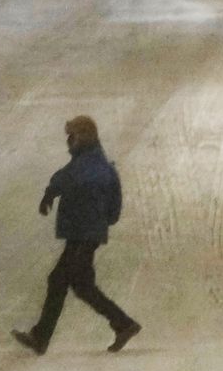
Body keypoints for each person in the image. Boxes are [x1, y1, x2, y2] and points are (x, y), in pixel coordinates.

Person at [14, 116, 141, 355]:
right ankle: (123, 324)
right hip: (83, 234)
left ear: (82, 137)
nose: (68, 143)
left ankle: (41, 337)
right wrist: (50, 195)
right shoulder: (93, 163)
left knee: (58, 280)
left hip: (84, 235)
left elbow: (66, 179)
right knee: (82, 286)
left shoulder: (90, 166)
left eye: (72, 137)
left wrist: (50, 195)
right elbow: (112, 206)